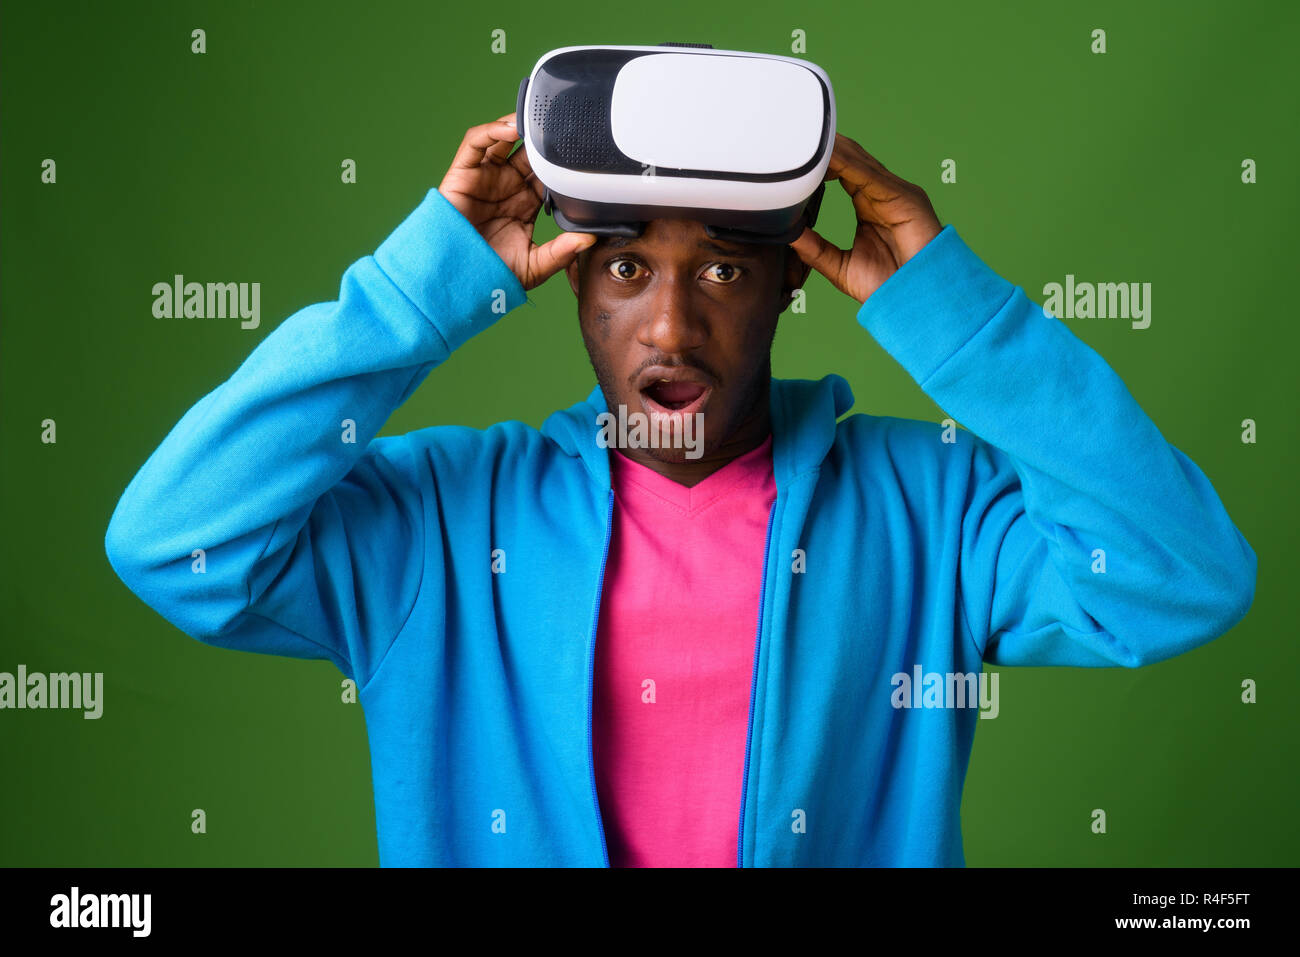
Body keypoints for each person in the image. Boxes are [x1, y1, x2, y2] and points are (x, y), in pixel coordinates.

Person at [104, 112, 1256, 867]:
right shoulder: (448, 520)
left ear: (785, 289)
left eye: (721, 269)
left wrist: (955, 314)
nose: (669, 323)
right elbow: (174, 541)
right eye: (622, 269)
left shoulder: (931, 507)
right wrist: (419, 289)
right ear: (565, 287)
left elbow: (1176, 581)